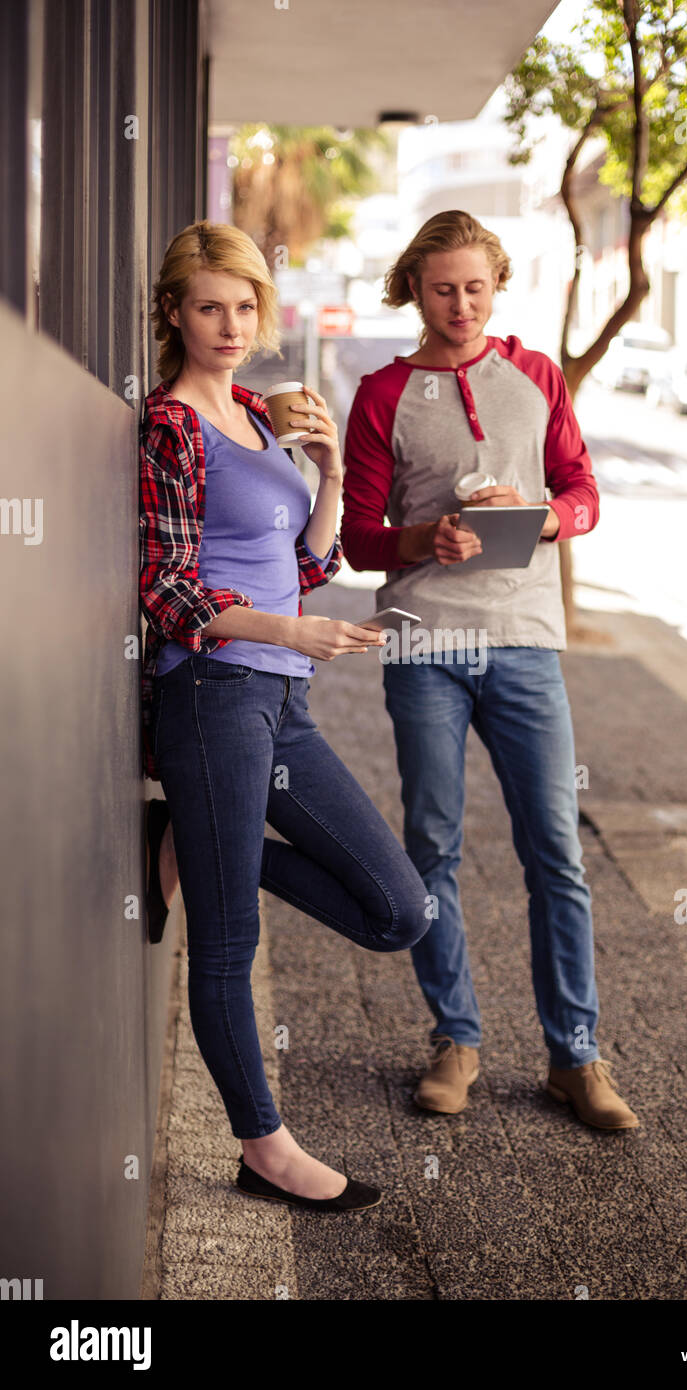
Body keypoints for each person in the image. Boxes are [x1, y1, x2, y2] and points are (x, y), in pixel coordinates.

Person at [139, 219, 432, 1213]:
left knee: (397, 909)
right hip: (214, 690)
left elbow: (307, 565)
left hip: (283, 699)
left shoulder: (259, 416)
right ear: (174, 311)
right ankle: (263, 1149)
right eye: (208, 306)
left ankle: (195, 830)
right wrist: (285, 633)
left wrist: (333, 473)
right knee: (226, 945)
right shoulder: (169, 426)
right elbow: (166, 588)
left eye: (244, 305)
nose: (229, 324)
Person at [340, 209, 639, 1131]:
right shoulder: (383, 393)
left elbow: (584, 492)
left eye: (475, 286)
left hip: (524, 641)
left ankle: (575, 1056)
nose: (461, 304)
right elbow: (356, 538)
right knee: (432, 847)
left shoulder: (537, 375)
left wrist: (545, 517)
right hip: (427, 642)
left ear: (496, 284)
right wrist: (425, 536)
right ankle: (455, 1040)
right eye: (442, 288)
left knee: (555, 851)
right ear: (414, 289)